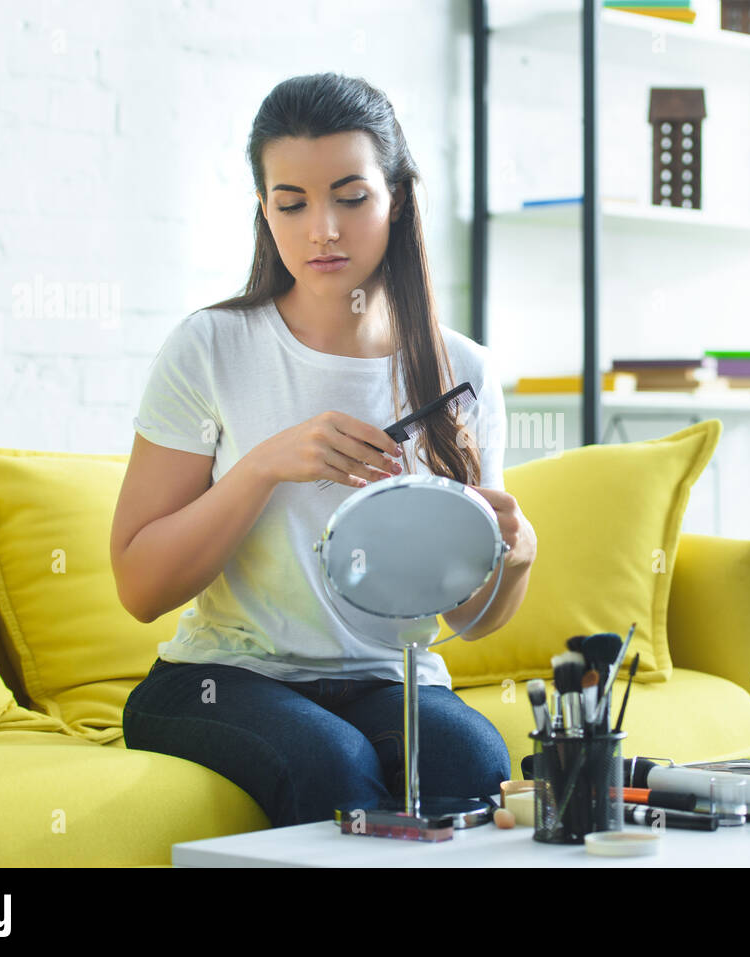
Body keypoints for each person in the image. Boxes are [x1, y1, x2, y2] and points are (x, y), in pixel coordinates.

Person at [111, 72, 536, 827]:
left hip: (388, 674)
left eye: (351, 196)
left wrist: (516, 560)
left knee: (471, 757)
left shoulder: (461, 371)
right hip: (219, 677)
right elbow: (141, 588)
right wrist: (266, 464)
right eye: (292, 203)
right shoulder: (211, 347)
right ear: (263, 210)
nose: (323, 230)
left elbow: (468, 619)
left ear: (396, 197)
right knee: (331, 761)